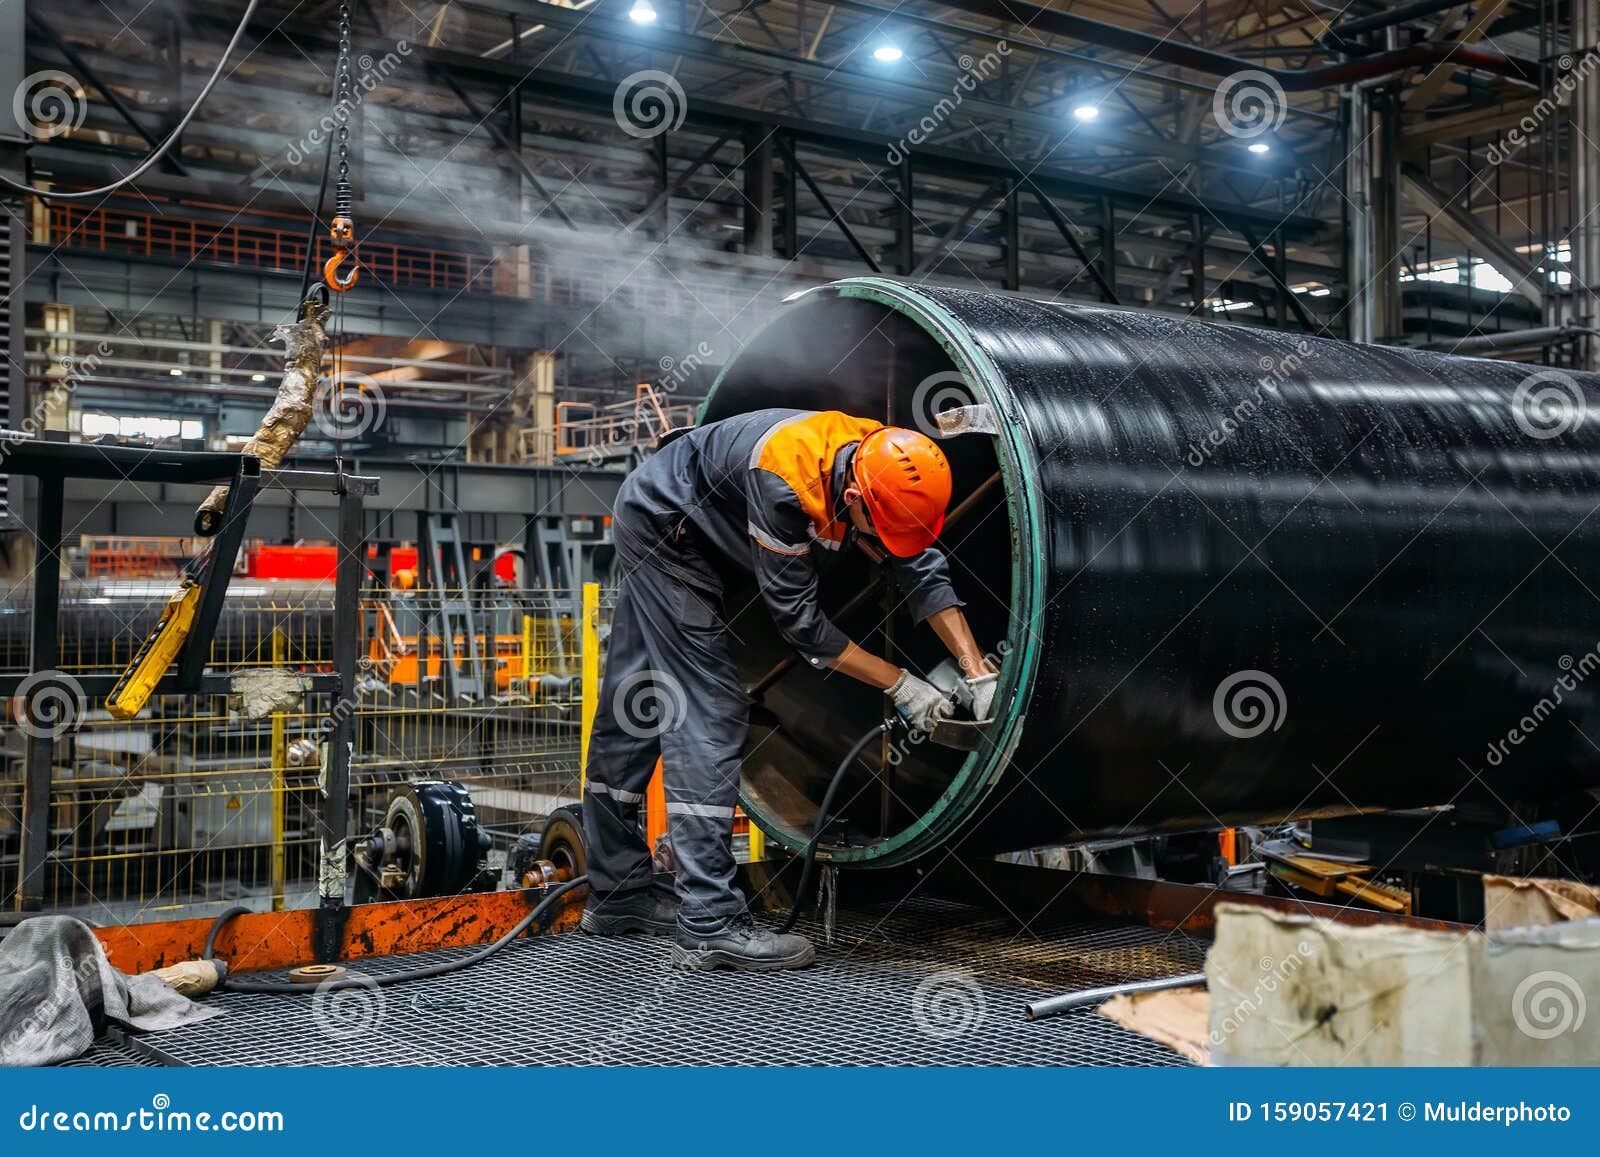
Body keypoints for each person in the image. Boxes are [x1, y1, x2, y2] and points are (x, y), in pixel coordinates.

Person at [579, 409, 997, 971]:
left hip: (676, 508)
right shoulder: (782, 483)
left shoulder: (887, 463)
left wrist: (978, 672)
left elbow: (919, 564)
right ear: (852, 495)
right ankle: (709, 923)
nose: (887, 548)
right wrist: (901, 685)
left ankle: (617, 891)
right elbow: (803, 629)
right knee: (708, 709)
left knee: (634, 699)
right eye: (879, 534)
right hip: (668, 534)